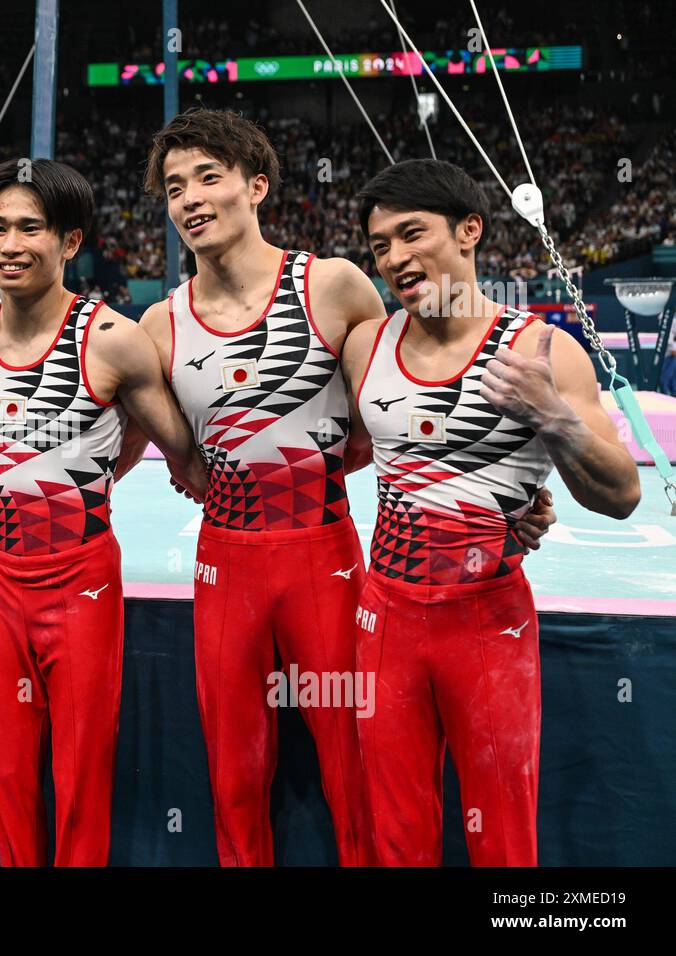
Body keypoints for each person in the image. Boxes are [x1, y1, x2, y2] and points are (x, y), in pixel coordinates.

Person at [130, 108, 555, 867]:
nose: (189, 198)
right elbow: (139, 447)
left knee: (350, 764)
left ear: (254, 186)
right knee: (233, 771)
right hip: (224, 565)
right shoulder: (160, 325)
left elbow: (402, 402)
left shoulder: (333, 286)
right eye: (173, 187)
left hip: (324, 559)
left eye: (208, 177)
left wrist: (505, 494)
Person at [342, 158, 641, 865]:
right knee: (395, 831)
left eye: (411, 233)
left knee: (501, 836)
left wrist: (557, 423)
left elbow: (624, 496)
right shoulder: (365, 346)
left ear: (469, 230)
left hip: (486, 619)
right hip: (384, 618)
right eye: (380, 245)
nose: (394, 258)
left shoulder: (541, 350)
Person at [0, 158, 206, 866]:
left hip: (82, 585)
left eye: (30, 229)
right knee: (8, 774)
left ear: (70, 243)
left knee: (81, 774)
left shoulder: (112, 338)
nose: (9, 245)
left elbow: (186, 453)